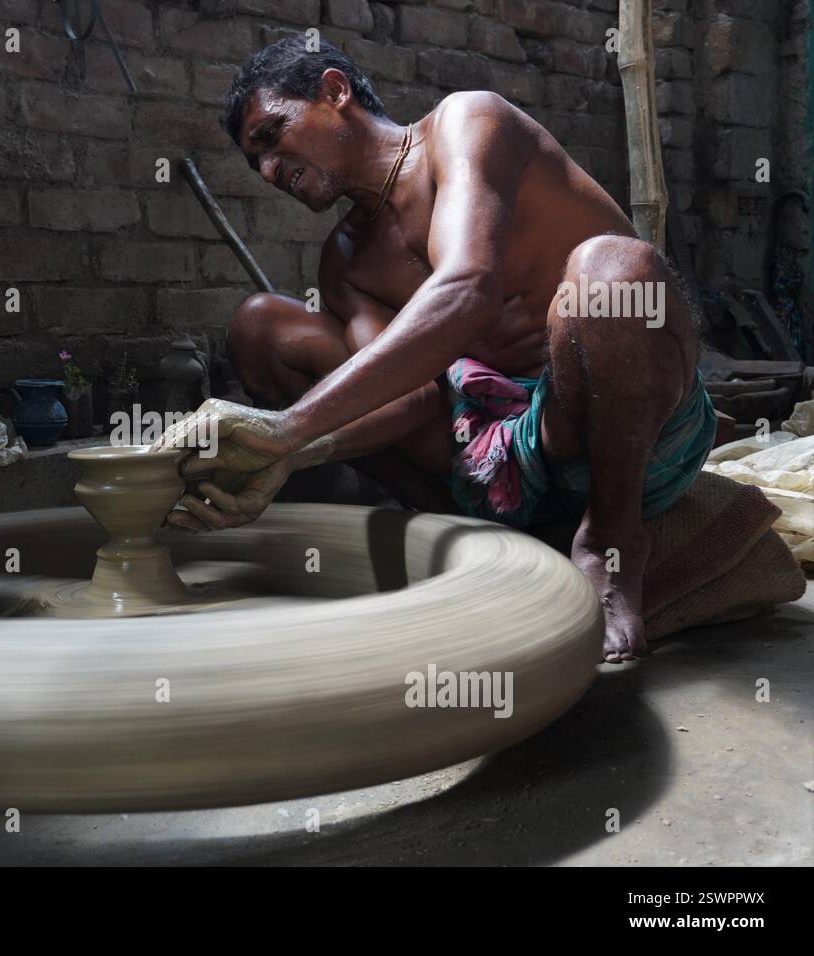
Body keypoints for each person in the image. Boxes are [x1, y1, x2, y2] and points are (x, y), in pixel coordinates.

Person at [156, 38, 715, 664]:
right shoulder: (344, 262)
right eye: (253, 159)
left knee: (614, 270)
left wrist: (286, 429)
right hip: (501, 461)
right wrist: (293, 453)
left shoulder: (467, 122)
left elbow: (469, 289)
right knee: (261, 325)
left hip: (621, 425)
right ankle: (460, 532)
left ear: (335, 93)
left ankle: (611, 542)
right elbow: (411, 399)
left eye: (270, 134)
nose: (266, 170)